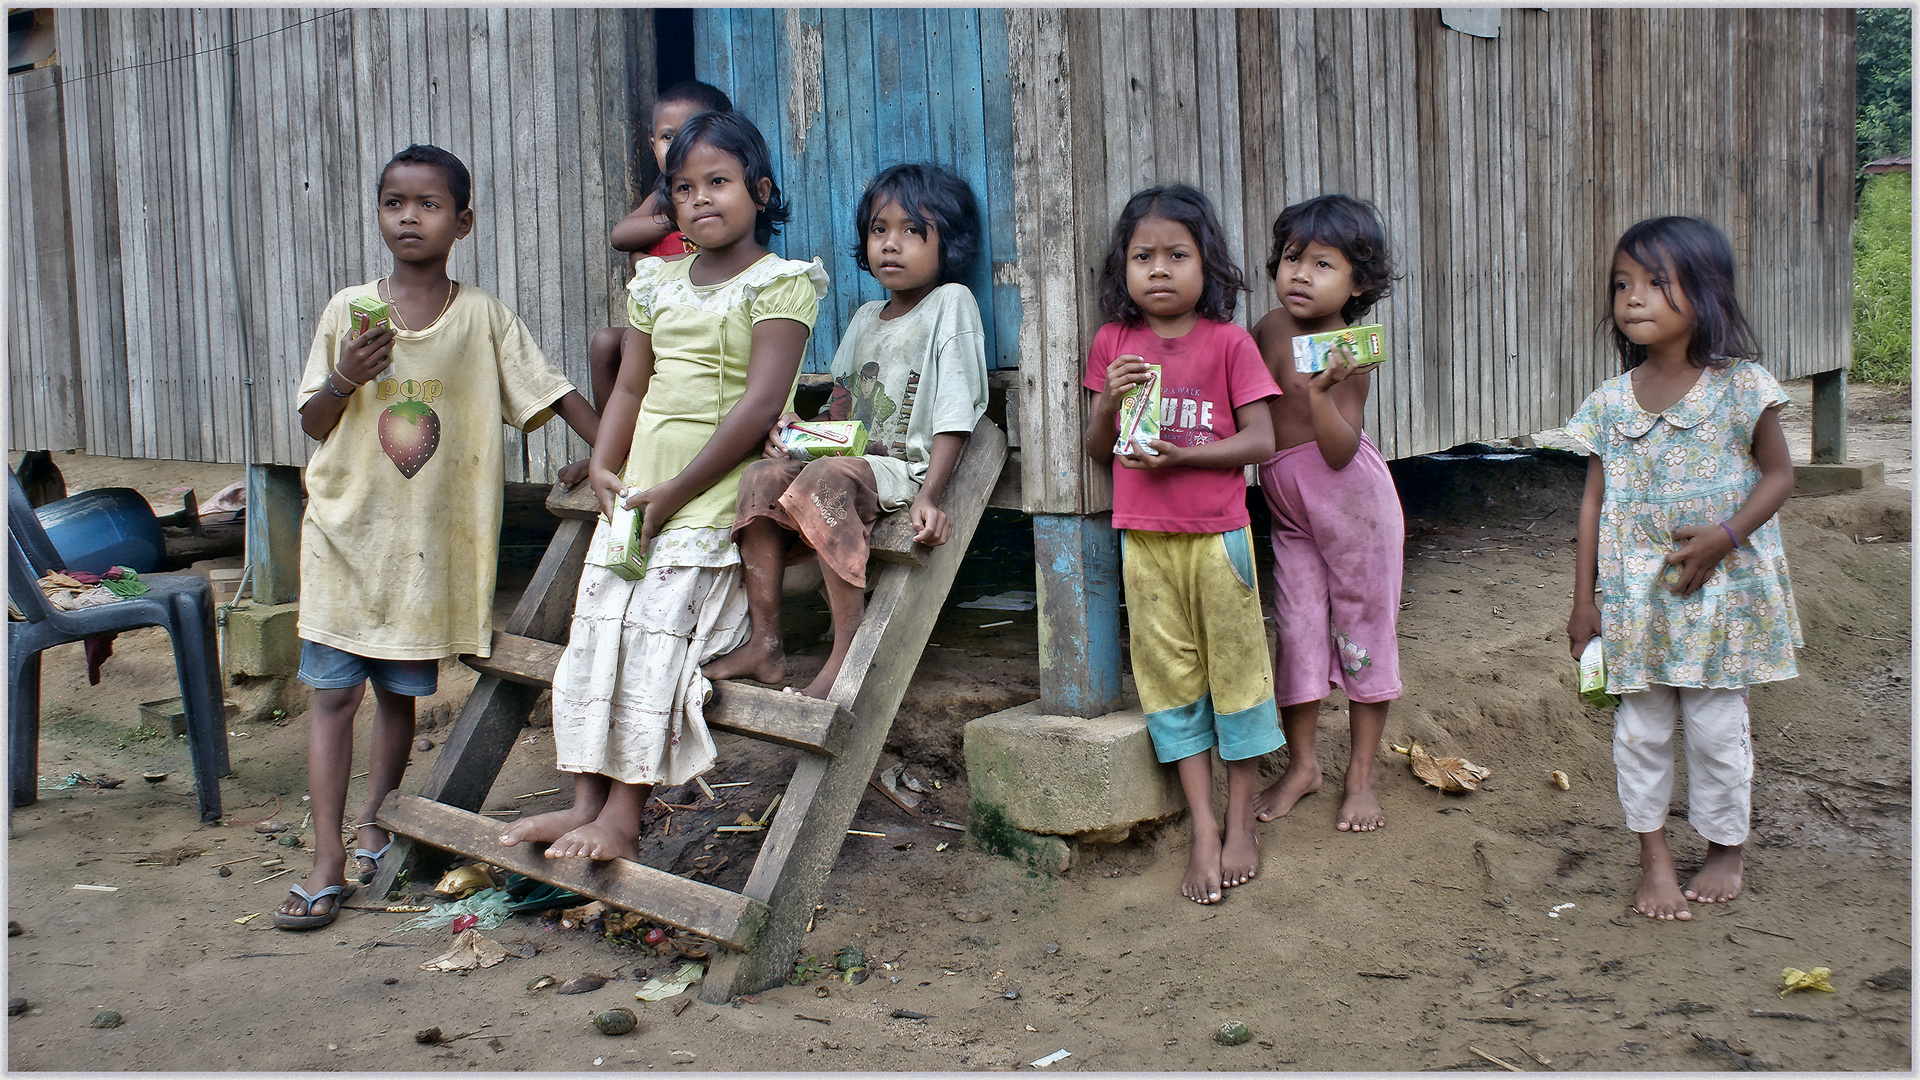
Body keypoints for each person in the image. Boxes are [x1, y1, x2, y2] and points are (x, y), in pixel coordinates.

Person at [277, 144, 600, 930]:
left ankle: (373, 827)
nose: (408, 216)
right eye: (394, 202)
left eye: (428, 204)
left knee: (396, 698)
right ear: (378, 213)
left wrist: (613, 457)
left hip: (426, 554)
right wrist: (346, 374)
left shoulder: (482, 317)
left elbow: (552, 392)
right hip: (345, 536)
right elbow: (315, 425)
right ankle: (324, 860)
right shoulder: (349, 311)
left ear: (463, 221)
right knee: (330, 696)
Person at [499, 111, 827, 862]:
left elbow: (759, 405)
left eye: (719, 182)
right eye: (684, 187)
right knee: (597, 631)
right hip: (641, 492)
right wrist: (607, 465)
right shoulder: (656, 281)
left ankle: (623, 813)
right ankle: (582, 802)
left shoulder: (781, 285)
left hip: (711, 492)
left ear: (761, 191)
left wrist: (676, 491)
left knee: (656, 641)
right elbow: (630, 388)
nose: (701, 198)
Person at [1564, 215, 1799, 921]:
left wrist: (1725, 536)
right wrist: (1584, 602)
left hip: (1719, 599)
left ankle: (1725, 846)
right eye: (1622, 284)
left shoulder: (1741, 388)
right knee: (1639, 733)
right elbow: (1592, 505)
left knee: (1716, 732)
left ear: (1706, 292)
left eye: (1655, 283)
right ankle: (1655, 857)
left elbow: (1780, 475)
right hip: (1637, 602)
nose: (1632, 298)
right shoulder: (1608, 402)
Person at [702, 163, 989, 699]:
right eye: (879, 230)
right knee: (763, 476)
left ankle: (846, 652)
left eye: (911, 231)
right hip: (850, 463)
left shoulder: (951, 304)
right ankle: (766, 642)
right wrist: (798, 436)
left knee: (823, 481)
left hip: (903, 471)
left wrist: (931, 496)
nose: (891, 245)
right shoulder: (863, 318)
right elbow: (841, 411)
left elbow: (956, 411)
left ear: (947, 241)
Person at [1081, 185, 1281, 905]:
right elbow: (1099, 449)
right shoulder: (1114, 343)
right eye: (1143, 257)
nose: (1158, 270)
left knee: (1236, 675)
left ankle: (1240, 821)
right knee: (1169, 681)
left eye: (1176, 255)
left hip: (1218, 540)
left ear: (1208, 266)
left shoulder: (1229, 343)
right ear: (1123, 269)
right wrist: (1107, 401)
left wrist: (1185, 459)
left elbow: (1262, 439)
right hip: (1145, 544)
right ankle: (1202, 827)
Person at [1245, 195, 1403, 834]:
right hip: (1288, 503)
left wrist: (1318, 395)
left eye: (1322, 264)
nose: (1300, 275)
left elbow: (1340, 450)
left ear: (1357, 284)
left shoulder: (1350, 351)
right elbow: (1246, 402)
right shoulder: (1267, 328)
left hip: (1353, 502)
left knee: (1365, 630)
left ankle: (1361, 776)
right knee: (1300, 627)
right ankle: (1304, 765)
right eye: (1291, 259)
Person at [586, 81, 736, 411]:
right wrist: (676, 217)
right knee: (603, 343)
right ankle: (608, 445)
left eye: (691, 133)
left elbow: (722, 263)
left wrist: (653, 262)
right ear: (653, 144)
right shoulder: (663, 198)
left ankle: (635, 437)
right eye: (668, 137)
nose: (678, 146)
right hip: (657, 315)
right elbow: (621, 237)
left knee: (629, 345)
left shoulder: (722, 201)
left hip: (705, 320)